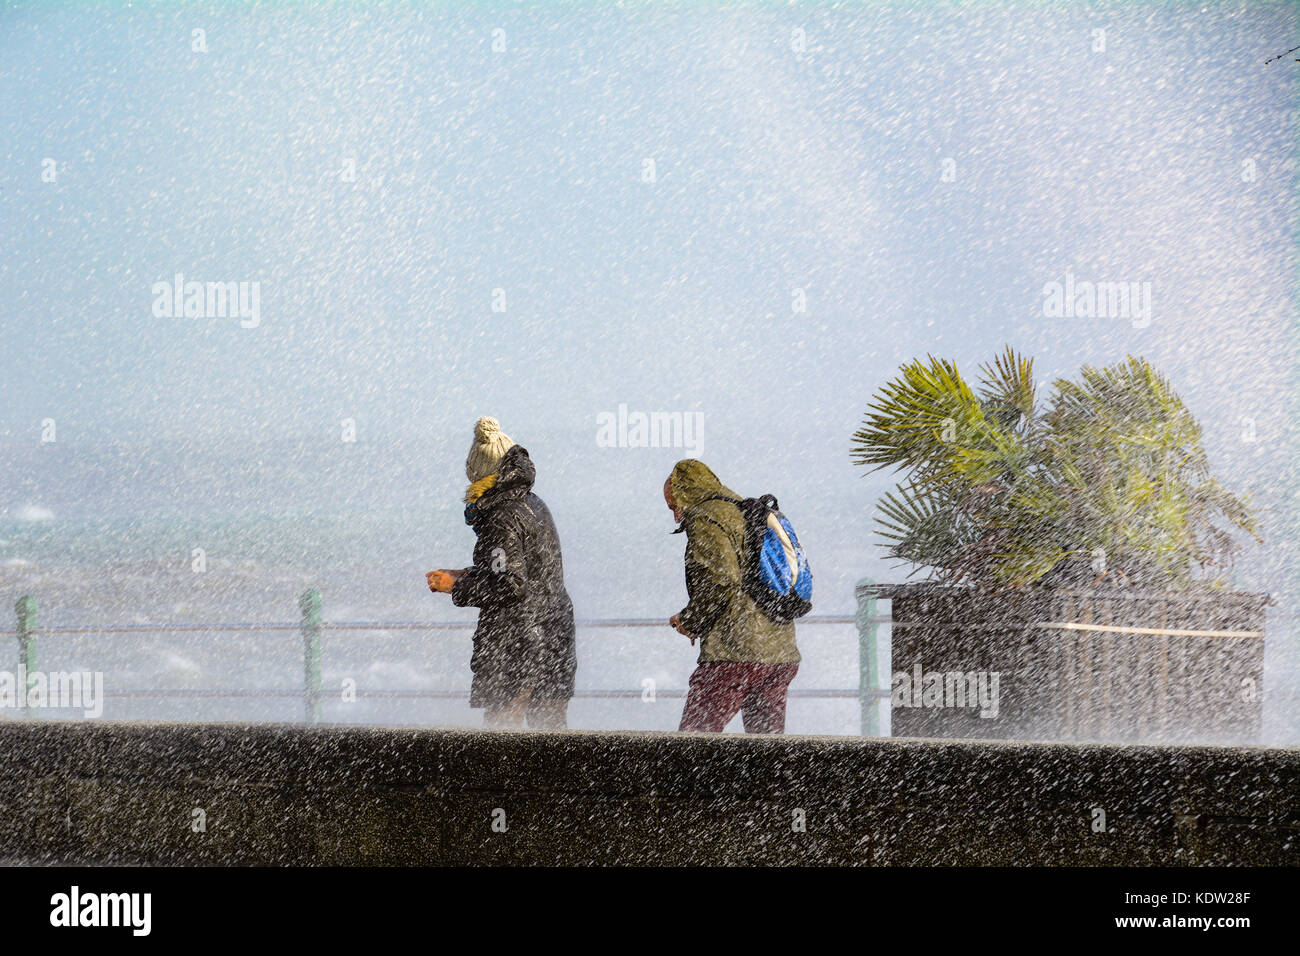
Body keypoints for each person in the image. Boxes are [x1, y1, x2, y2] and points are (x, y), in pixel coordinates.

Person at [427, 418, 577, 730]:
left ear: (479, 475)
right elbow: (525, 568)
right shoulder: (532, 504)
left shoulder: (501, 518)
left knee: (501, 735)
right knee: (553, 738)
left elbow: (511, 585)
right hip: (554, 634)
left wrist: (455, 586)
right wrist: (467, 573)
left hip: (517, 643)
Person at [664, 459, 801, 734]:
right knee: (766, 750)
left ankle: (688, 779)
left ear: (684, 494)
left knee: (693, 742)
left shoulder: (706, 515)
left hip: (736, 652)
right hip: (780, 653)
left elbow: (721, 580)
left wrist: (691, 621)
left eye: (673, 505)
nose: (676, 516)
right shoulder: (746, 510)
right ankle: (766, 779)